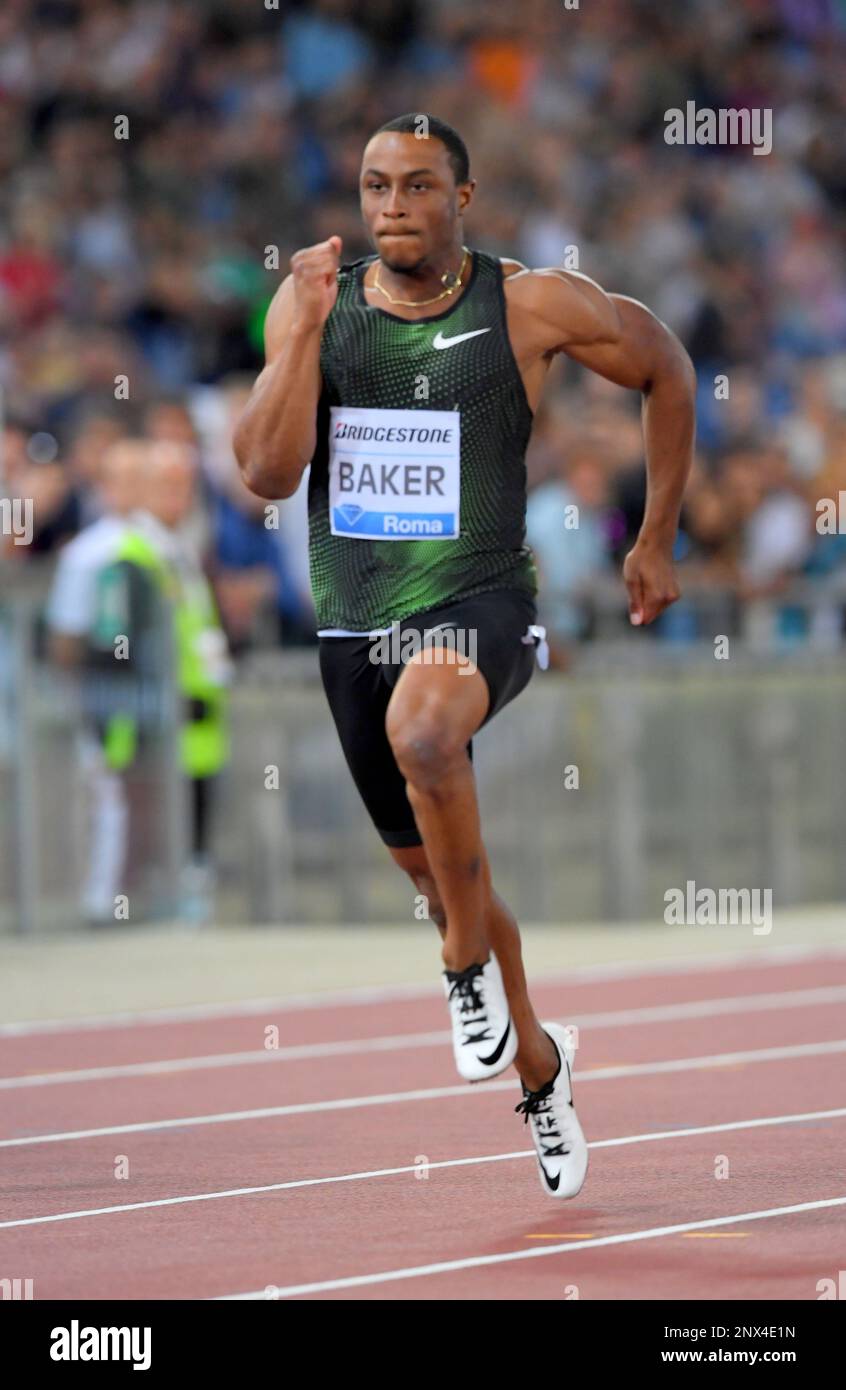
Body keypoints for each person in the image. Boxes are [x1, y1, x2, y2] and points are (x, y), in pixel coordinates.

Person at [233, 114, 696, 1199]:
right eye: (375, 186)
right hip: (354, 628)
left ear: (463, 198)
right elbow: (264, 472)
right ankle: (538, 1061)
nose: (393, 205)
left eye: (418, 186)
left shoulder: (528, 301)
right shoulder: (312, 307)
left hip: (482, 598)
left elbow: (668, 368)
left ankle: (460, 972)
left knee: (427, 730)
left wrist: (657, 534)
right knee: (448, 887)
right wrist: (299, 332)